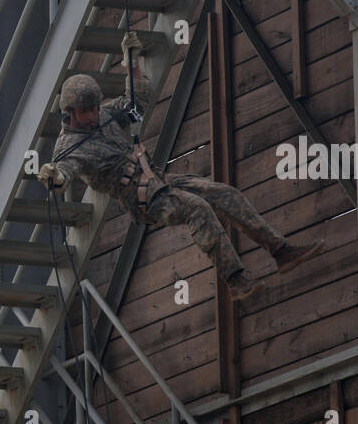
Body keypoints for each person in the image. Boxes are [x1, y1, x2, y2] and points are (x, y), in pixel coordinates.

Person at [38, 31, 323, 301]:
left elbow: (135, 100)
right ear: (70, 112)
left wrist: (132, 62)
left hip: (158, 180)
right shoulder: (70, 147)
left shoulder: (103, 116)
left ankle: (280, 251)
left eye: (94, 108)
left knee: (225, 194)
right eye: (86, 111)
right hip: (142, 200)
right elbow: (65, 171)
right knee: (197, 208)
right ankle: (235, 281)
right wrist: (55, 176)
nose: (92, 115)